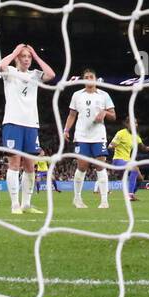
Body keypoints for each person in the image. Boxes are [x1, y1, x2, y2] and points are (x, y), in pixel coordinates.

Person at [0, 43, 56, 214]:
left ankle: (26, 204)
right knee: (14, 164)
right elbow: (1, 65)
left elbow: (51, 74)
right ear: (17, 58)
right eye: (23, 56)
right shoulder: (10, 72)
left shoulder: (35, 75)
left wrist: (36, 56)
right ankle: (15, 204)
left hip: (31, 124)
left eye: (28, 56)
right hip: (13, 123)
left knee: (30, 166)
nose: (26, 59)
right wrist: (14, 51)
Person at [63, 69, 115, 208]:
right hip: (81, 135)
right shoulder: (77, 95)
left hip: (99, 135)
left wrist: (104, 112)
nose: (89, 79)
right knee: (82, 166)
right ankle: (77, 198)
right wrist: (66, 130)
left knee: (100, 165)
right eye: (86, 77)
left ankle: (104, 201)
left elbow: (113, 116)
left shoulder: (104, 95)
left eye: (91, 76)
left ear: (95, 79)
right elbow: (72, 115)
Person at [108, 119, 149, 202]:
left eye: (136, 122)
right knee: (134, 168)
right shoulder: (121, 133)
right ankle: (130, 195)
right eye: (133, 122)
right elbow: (111, 145)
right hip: (118, 160)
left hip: (128, 161)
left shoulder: (136, 136)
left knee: (140, 179)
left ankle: (131, 194)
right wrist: (111, 146)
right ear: (127, 124)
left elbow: (143, 148)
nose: (135, 124)